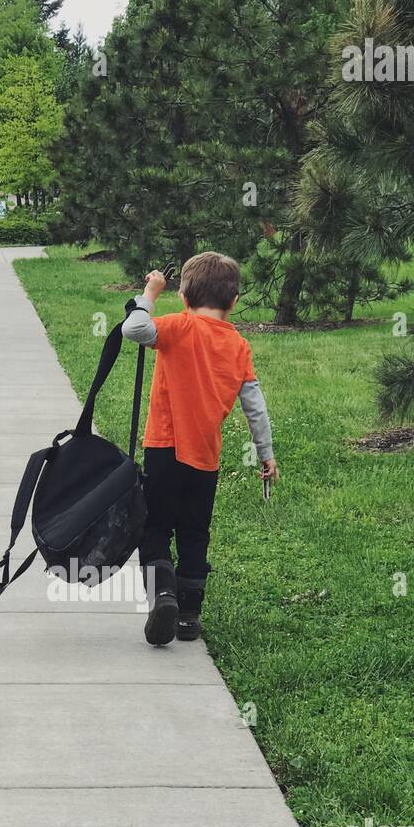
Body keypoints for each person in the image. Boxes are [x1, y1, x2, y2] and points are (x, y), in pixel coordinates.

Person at [122, 251, 279, 645]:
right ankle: (189, 616)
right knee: (195, 532)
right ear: (234, 301)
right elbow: (254, 406)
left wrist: (149, 293)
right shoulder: (239, 346)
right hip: (205, 459)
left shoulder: (179, 326)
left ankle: (162, 596)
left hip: (163, 448)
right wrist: (266, 453)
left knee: (156, 526)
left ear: (184, 296)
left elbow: (134, 329)